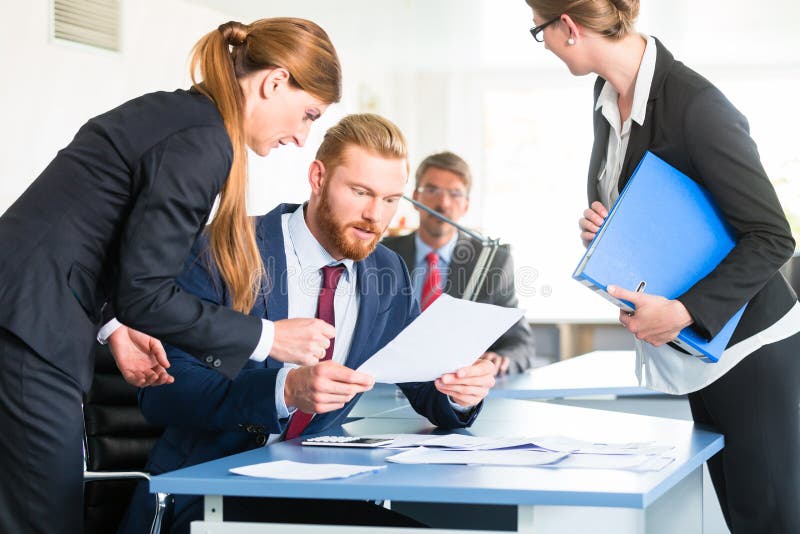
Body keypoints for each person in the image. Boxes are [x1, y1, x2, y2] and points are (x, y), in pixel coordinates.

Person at [0, 18, 343, 533]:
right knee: (43, 521)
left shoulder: (180, 116)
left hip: (27, 317)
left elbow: (82, 234)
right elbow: (147, 291)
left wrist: (112, 328)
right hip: (28, 332)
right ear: (274, 82)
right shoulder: (202, 141)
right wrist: (269, 337)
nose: (302, 137)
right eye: (308, 114)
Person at [117, 114, 497, 533]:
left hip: (319, 489)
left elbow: (423, 383)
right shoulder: (226, 249)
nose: (376, 215)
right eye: (360, 192)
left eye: (391, 199)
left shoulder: (386, 271)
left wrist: (461, 391)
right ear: (318, 177)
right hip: (208, 491)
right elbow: (164, 395)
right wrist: (284, 390)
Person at [524, 1, 800, 532]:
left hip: (748, 346)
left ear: (569, 28)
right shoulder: (608, 98)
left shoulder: (696, 105)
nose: (546, 45)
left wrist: (683, 310)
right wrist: (603, 228)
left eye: (540, 31)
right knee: (740, 514)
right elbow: (667, 212)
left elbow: (771, 237)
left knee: (767, 520)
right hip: (701, 348)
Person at [382, 151, 537, 375]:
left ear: (466, 205)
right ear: (416, 198)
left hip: (458, 387)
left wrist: (500, 360)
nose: (443, 203)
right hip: (388, 382)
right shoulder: (382, 254)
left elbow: (521, 345)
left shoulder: (493, 262)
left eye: (454, 194)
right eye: (432, 190)